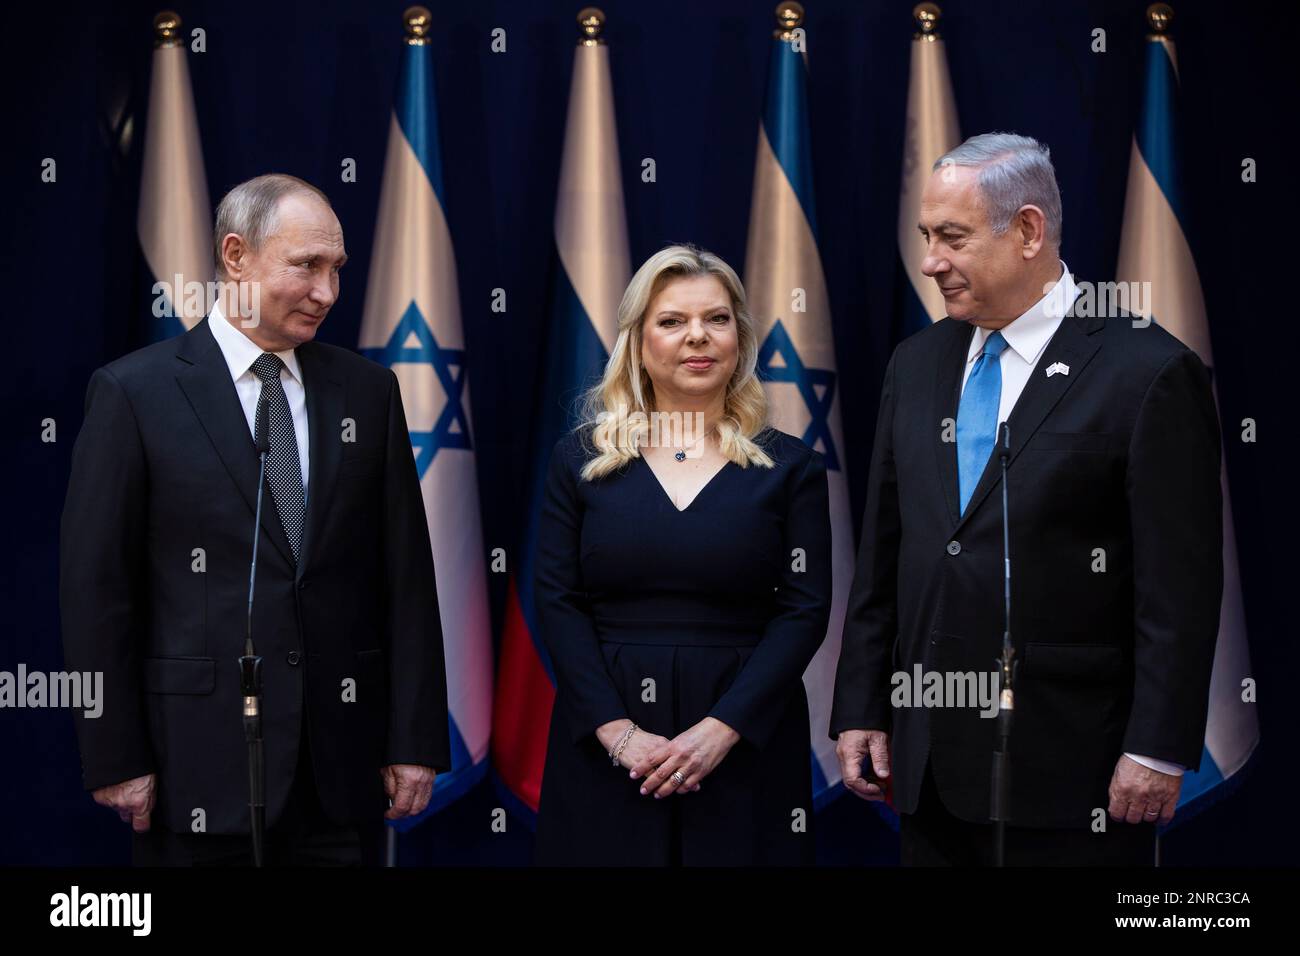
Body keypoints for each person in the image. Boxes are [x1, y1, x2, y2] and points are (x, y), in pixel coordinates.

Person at [830, 133, 1222, 866]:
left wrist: (1159, 747)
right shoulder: (915, 364)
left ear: (1029, 231)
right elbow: (886, 552)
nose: (929, 262)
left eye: (952, 237)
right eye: (925, 237)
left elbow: (1180, 588)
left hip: (1078, 769)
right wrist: (862, 705)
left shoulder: (1148, 369)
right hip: (932, 767)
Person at [60, 173, 450, 865]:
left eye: (336, 270)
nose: (328, 292)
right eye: (307, 266)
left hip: (338, 772)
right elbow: (97, 593)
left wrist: (413, 740)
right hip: (196, 767)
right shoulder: (134, 393)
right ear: (236, 256)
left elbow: (406, 579)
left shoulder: (368, 390)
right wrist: (113, 753)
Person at [533, 244, 832, 865]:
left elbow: (804, 611)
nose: (698, 337)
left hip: (746, 739)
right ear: (638, 342)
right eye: (672, 321)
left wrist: (720, 733)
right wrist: (620, 736)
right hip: (604, 737)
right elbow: (557, 602)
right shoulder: (579, 461)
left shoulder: (792, 466)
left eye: (717, 319)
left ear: (740, 339)